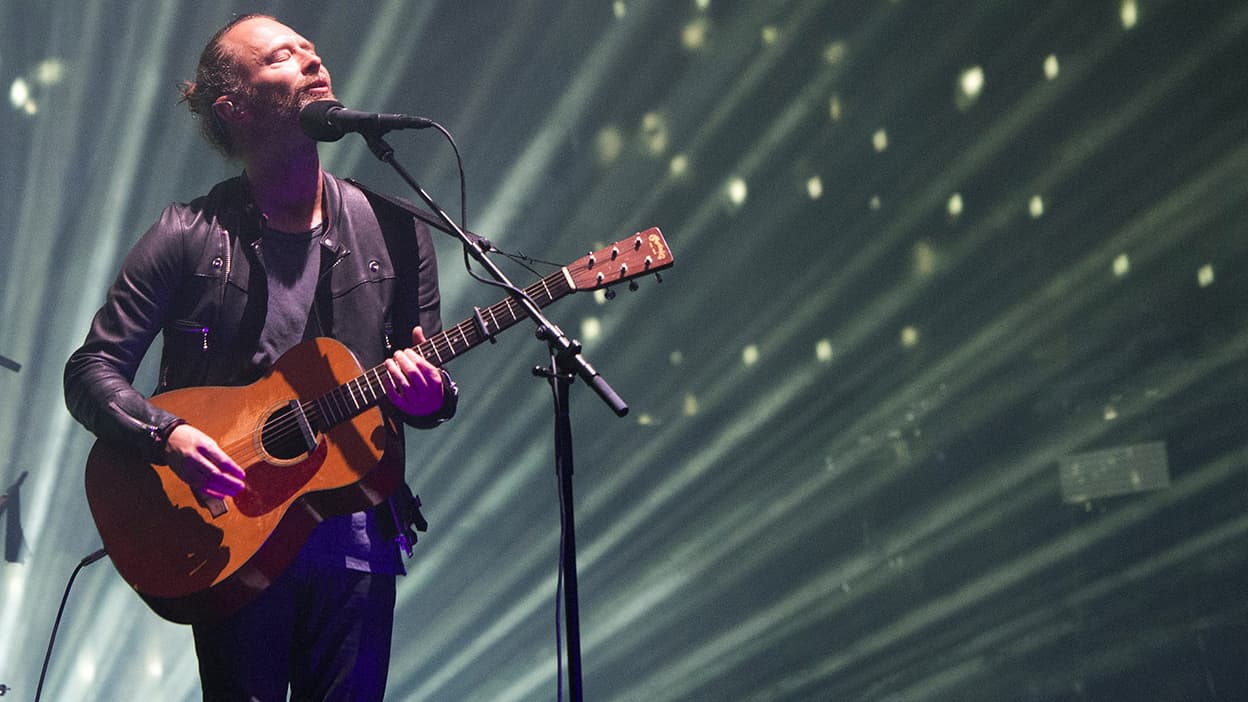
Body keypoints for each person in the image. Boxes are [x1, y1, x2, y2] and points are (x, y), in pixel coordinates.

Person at [63, 13, 458, 700]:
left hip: (358, 539)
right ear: (234, 107)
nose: (312, 61)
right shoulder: (187, 234)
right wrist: (167, 435)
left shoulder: (394, 227)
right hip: (229, 537)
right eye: (281, 56)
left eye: (311, 49)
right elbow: (91, 370)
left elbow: (426, 382)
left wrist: (431, 395)